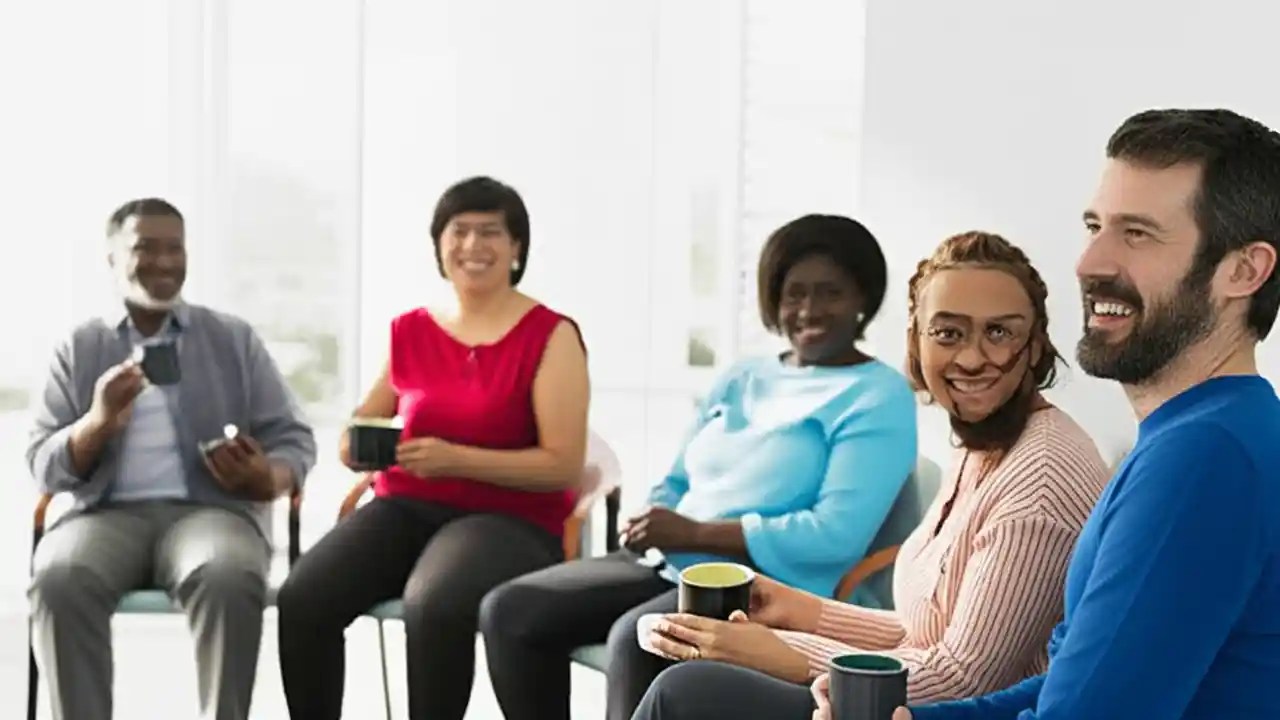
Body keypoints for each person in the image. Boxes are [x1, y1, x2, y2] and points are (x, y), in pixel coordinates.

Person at [889, 109, 1280, 720]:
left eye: (1138, 234)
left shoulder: (1203, 459)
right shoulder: (1201, 434)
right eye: (1095, 226)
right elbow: (1067, 684)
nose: (1089, 262)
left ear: (1243, 271)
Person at [631, 232, 1109, 719]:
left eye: (1000, 332)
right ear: (916, 341)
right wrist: (796, 610)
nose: (971, 357)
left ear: (1034, 345)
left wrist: (788, 655)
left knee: (686, 692)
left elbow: (965, 678)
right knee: (660, 654)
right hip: (917, 693)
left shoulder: (1040, 480)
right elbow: (923, 634)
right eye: (948, 333)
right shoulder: (984, 444)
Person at [479, 213, 919, 720]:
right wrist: (656, 518)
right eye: (794, 293)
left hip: (759, 585)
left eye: (830, 293)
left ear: (864, 298)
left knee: (641, 639)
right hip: (667, 558)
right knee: (510, 610)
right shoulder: (744, 374)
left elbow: (834, 534)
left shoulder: (877, 395)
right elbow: (679, 478)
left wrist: (694, 531)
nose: (808, 309)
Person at [276, 176, 591, 720]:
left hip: (510, 519)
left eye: (491, 232)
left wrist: (455, 458)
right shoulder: (410, 331)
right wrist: (356, 443)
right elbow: (367, 415)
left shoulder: (551, 334)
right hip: (406, 505)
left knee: (435, 605)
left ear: (517, 248)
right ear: (439, 246)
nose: (473, 246)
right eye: (459, 231)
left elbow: (561, 466)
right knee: (303, 597)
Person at [26, 197, 317, 720]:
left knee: (228, 575)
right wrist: (95, 422)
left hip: (211, 513)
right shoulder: (81, 345)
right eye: (145, 248)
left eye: (174, 249)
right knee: (59, 578)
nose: (163, 262)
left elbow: (293, 439)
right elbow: (41, 463)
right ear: (113, 258)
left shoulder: (231, 338)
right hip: (104, 515)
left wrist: (264, 477)